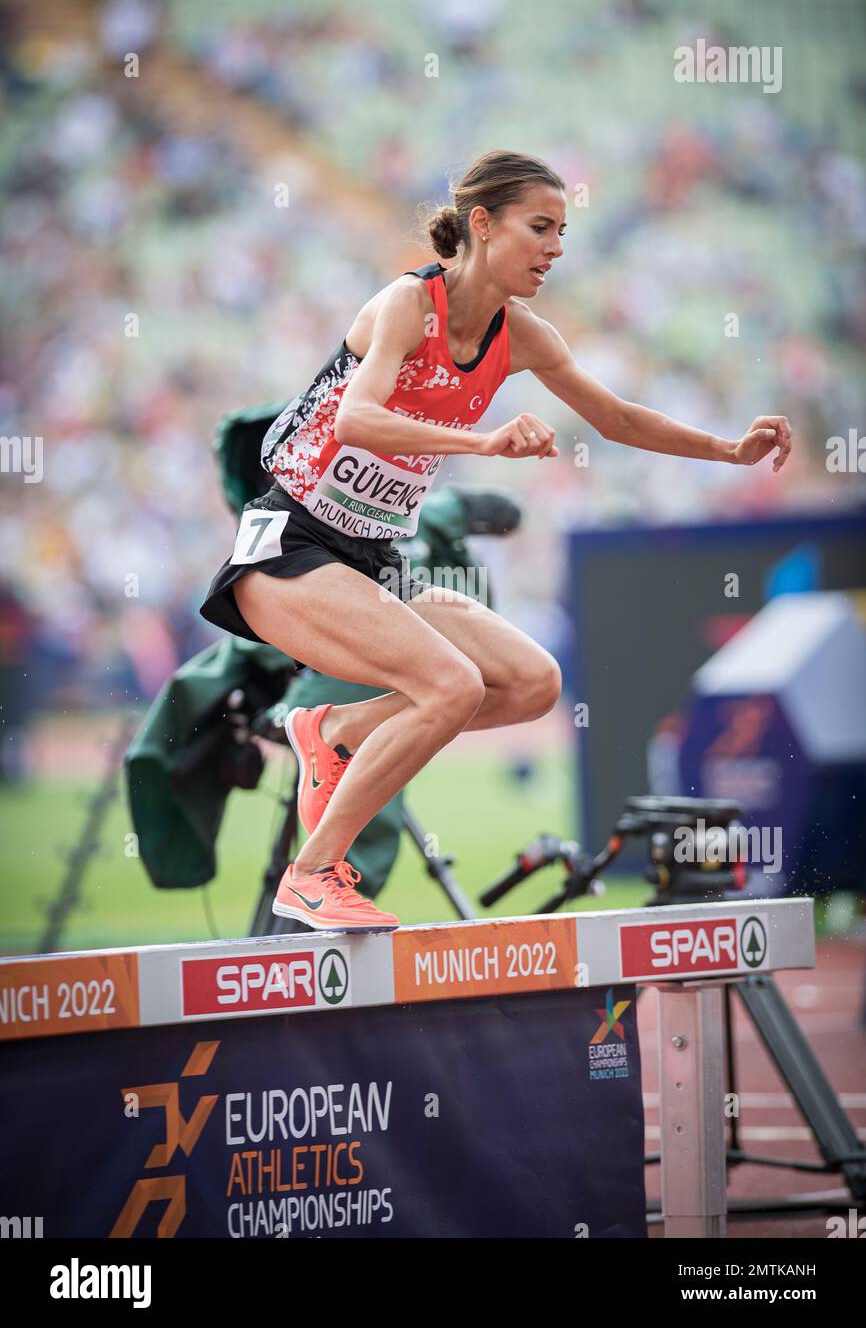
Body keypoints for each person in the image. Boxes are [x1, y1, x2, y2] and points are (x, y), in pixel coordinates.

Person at [199, 148, 792, 933]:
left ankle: (333, 729)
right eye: (540, 227)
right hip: (288, 550)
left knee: (530, 682)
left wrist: (726, 450)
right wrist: (482, 443)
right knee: (450, 685)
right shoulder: (408, 306)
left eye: (564, 232)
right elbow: (356, 419)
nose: (555, 248)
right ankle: (311, 875)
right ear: (481, 224)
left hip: (372, 563)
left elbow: (616, 418)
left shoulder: (521, 336)